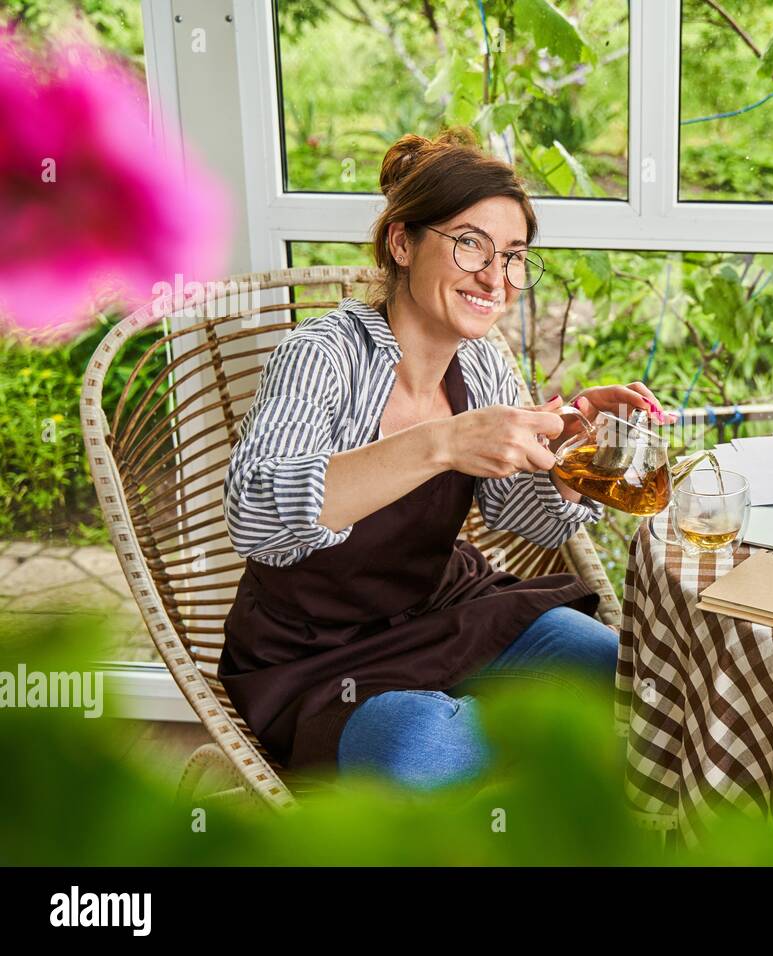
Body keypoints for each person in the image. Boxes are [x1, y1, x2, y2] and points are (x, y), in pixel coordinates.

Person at [217, 126, 675, 792]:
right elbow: (256, 515)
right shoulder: (322, 355)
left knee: (624, 674)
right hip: (318, 652)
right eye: (470, 245)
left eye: (514, 255)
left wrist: (575, 453)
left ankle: (488, 762)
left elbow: (528, 519)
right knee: (423, 744)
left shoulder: (484, 362)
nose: (496, 277)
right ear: (402, 242)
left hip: (445, 610)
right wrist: (441, 443)